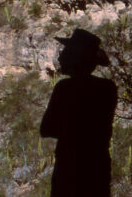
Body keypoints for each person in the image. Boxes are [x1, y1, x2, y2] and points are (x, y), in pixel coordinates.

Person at [40, 29, 117, 197]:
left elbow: (46, 129)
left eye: (66, 52)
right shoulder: (108, 88)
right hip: (97, 167)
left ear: (76, 57)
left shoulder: (64, 88)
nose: (61, 57)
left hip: (69, 168)